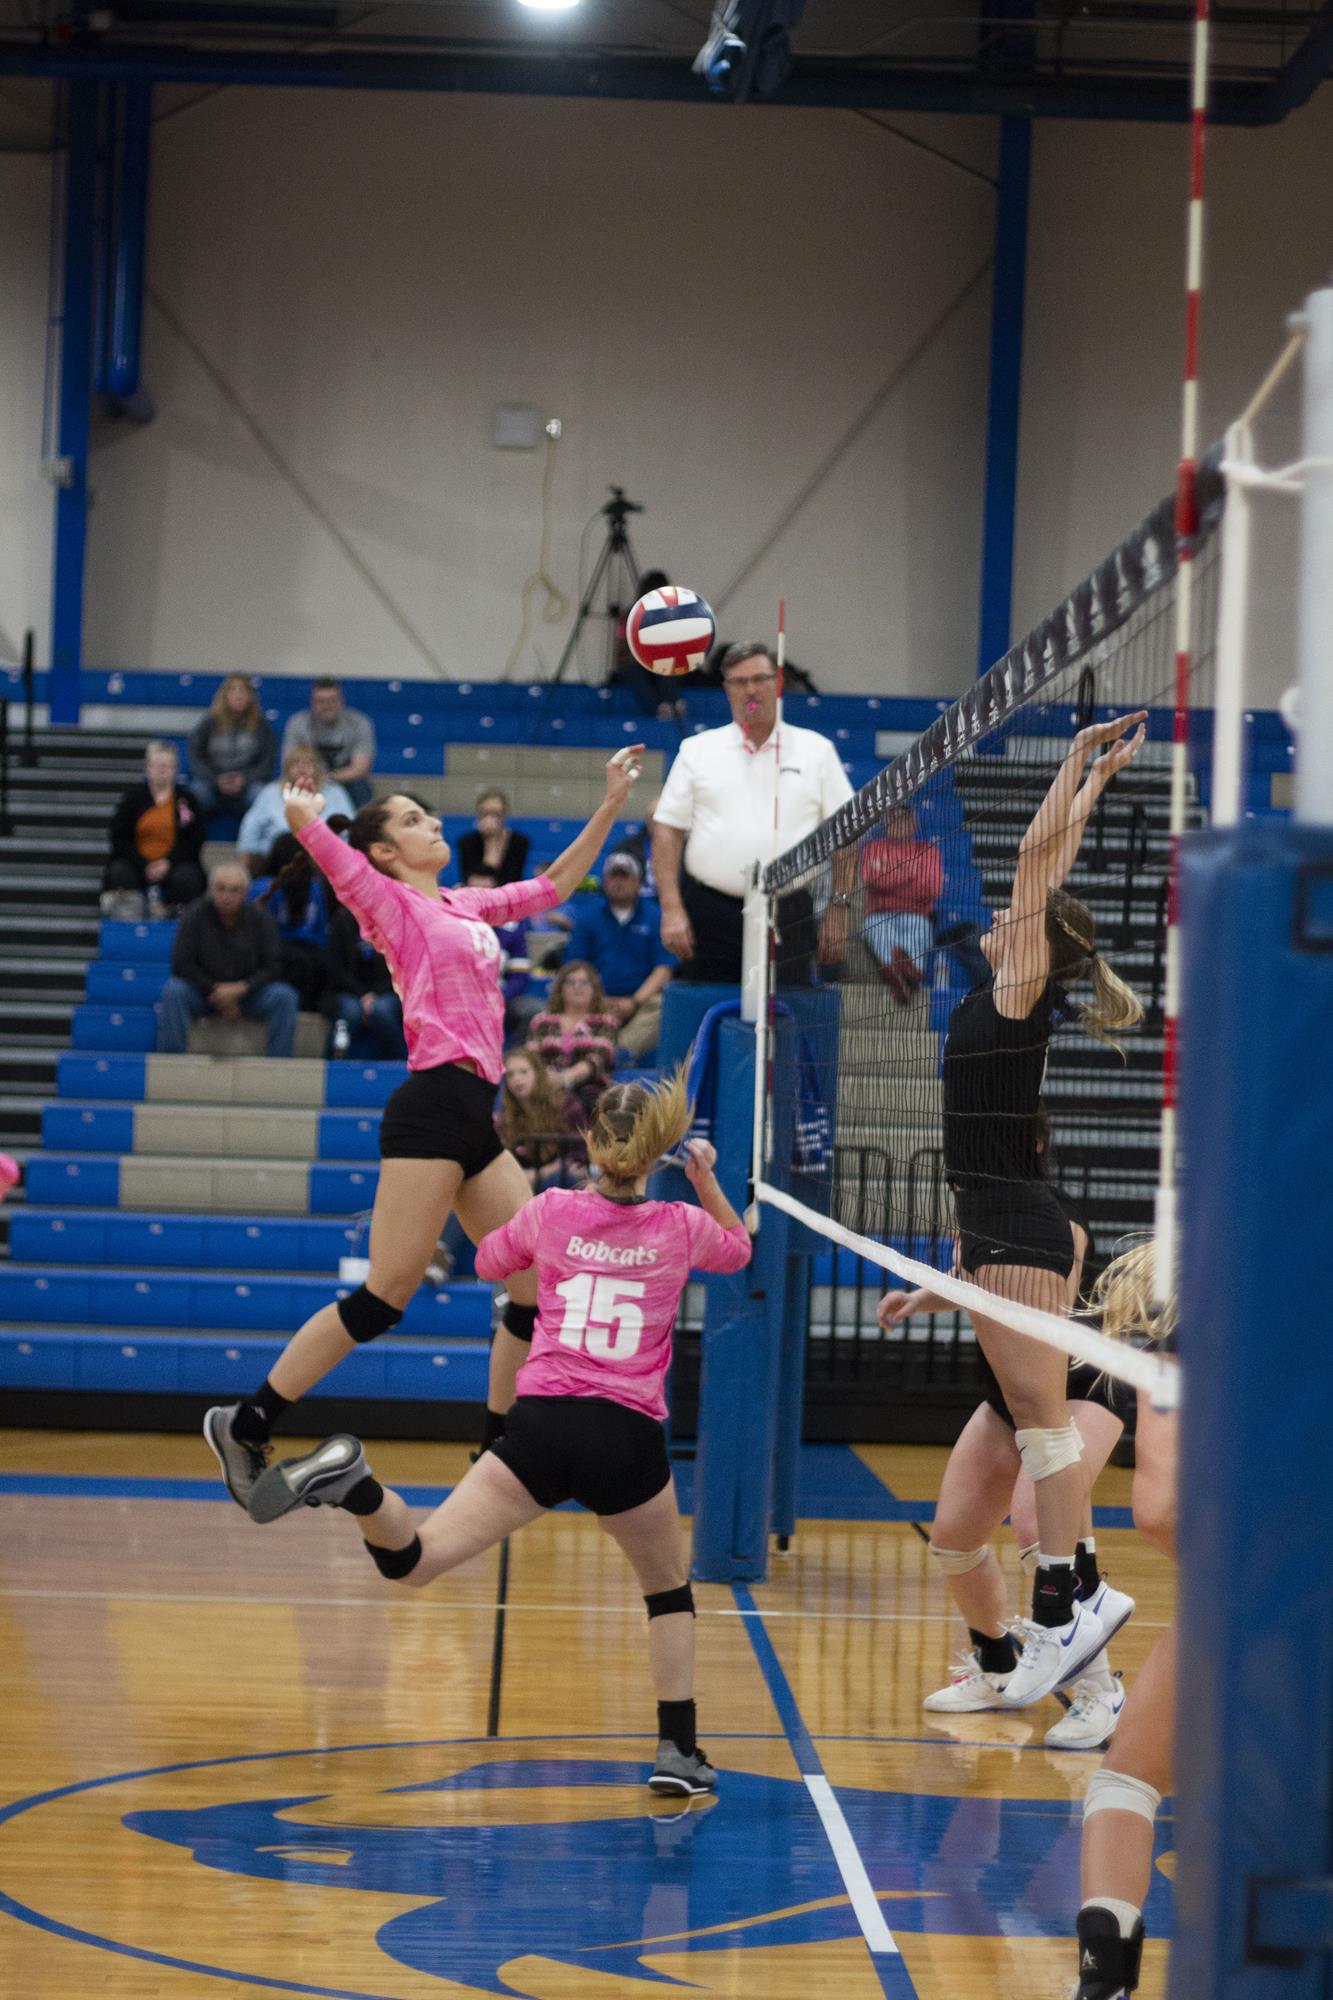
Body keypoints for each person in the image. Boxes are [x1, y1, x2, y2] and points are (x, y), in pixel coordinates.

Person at [242, 1071, 752, 1798]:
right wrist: (703, 1181)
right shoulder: (679, 1226)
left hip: (539, 1424)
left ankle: (356, 1486)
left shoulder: (549, 1212)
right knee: (666, 1593)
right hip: (626, 1434)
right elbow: (739, 1250)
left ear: (589, 1142)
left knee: (413, 1563)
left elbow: (487, 1263)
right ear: (659, 1152)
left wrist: (473, 1202)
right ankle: (677, 1750)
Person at [202, 746, 645, 1507]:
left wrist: (608, 804)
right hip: (433, 1105)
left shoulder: (465, 905)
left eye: (428, 814)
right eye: (412, 820)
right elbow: (336, 863)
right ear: (383, 852)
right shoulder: (388, 902)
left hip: (477, 1111)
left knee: (535, 1285)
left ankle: (498, 1452)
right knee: (384, 1297)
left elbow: (555, 885)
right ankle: (245, 1423)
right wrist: (307, 815)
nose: (432, 823)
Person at [934, 710, 1148, 1706]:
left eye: (1021, 908)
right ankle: (1050, 1625)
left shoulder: (1019, 984)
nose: (1000, 909)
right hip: (991, 1215)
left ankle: (1066, 1610)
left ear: (1033, 934)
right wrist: (1094, 781)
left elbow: (1033, 856)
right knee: (1029, 1425)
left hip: (1012, 1218)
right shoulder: (1010, 987)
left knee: (1045, 1427)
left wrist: (1069, 761)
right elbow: (1044, 864)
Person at [881, 1115, 1134, 1745]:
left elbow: (1033, 1296)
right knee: (955, 1538)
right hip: (1008, 1395)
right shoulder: (980, 1211)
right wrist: (926, 1296)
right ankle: (997, 1665)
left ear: (1038, 1145)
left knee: (1033, 1520)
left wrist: (964, 1289)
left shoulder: (1058, 1223)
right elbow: (982, 1283)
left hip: (1080, 1387)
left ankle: (1102, 1693)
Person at [1070, 1244, 1177, 2000]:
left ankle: (1102, 1987)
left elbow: (1162, 1513)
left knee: (1126, 1785)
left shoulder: (1197, 1341)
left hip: (1256, 1604)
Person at [650, 642, 856, 984]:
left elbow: (847, 832)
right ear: (726, 689)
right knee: (710, 1017)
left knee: (786, 1020)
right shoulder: (697, 750)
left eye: (759, 679)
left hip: (788, 909)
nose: (750, 689)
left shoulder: (816, 751)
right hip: (711, 911)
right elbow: (667, 830)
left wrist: (839, 906)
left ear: (776, 683)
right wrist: (671, 908)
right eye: (738, 681)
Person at [157, 860, 299, 1056]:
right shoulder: (194, 915)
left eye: (234, 890)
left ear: (245, 893)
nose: (227, 896)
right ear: (211, 890)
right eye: (221, 889)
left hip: (249, 994)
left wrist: (242, 988)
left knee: (284, 996)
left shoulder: (261, 918)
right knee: (174, 991)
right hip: (204, 993)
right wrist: (217, 991)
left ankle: (278, 1066)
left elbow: (274, 965)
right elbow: (181, 963)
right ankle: (172, 1061)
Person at [565, 850, 674, 1061]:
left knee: (664, 1006)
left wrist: (633, 1002)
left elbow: (664, 968)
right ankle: (604, 1052)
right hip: (594, 1000)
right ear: (604, 880)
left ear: (638, 881)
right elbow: (576, 966)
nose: (618, 882)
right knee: (569, 996)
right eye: (613, 876)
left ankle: (615, 1053)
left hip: (640, 1002)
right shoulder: (587, 917)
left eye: (625, 876)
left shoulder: (656, 916)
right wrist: (598, 999)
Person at [102, 740, 207, 919]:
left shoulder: (187, 800)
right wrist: (144, 864)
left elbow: (194, 839)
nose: (163, 770)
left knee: (189, 877)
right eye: (158, 765)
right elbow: (119, 839)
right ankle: (129, 921)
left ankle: (176, 919)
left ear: (176, 769)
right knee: (120, 872)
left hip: (175, 864)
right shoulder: (132, 799)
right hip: (136, 863)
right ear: (148, 768)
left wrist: (167, 863)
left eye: (168, 765)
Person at [860, 805, 944, 1003]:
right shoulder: (873, 847)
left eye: (903, 818)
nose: (897, 823)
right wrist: (911, 875)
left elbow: (932, 890)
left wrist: (890, 877)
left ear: (914, 824)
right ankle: (899, 975)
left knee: (918, 929)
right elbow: (871, 879)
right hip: (879, 915)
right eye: (892, 819)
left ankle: (905, 974)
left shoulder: (929, 851)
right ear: (886, 825)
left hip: (918, 915)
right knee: (877, 930)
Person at [525, 961, 620, 1124]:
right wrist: (548, 1080)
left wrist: (565, 1079)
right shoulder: (541, 1021)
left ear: (594, 989)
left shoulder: (606, 1022)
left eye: (584, 982)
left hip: (590, 1093)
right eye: (571, 982)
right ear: (561, 988)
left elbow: (597, 1060)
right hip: (546, 1088)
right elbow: (532, 1057)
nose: (578, 987)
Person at [249, 832, 332, 1015]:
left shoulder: (315, 887)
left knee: (323, 961)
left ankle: (313, 1011)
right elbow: (258, 933)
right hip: (272, 949)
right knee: (295, 960)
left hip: (307, 949)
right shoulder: (263, 888)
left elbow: (320, 931)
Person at [238, 748, 354, 870]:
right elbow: (251, 828)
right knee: (287, 841)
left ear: (317, 769)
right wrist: (244, 860)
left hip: (322, 859)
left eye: (309, 763)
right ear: (287, 769)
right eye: (296, 763)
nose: (302, 768)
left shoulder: (335, 793)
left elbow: (349, 828)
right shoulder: (270, 793)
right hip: (277, 857)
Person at [464, 865, 542, 1044]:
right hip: (460, 999)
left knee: (535, 1012)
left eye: (486, 892)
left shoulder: (512, 926)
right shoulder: (451, 923)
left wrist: (496, 999)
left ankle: (515, 1062)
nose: (480, 899)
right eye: (474, 892)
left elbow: (519, 977)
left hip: (501, 996)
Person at [188, 674, 277, 818]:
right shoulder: (208, 723)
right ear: (225, 696)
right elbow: (196, 757)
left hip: (248, 783)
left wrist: (245, 779)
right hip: (213, 781)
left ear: (250, 697)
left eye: (243, 691)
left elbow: (267, 762)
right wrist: (215, 779)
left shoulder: (261, 726)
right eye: (233, 690)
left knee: (260, 795)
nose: (238, 696)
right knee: (197, 794)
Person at [327, 901, 407, 1060]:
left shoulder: (393, 922)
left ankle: (402, 1064)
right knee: (350, 1012)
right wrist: (362, 994)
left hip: (386, 992)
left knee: (381, 1011)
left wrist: (374, 994)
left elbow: (401, 970)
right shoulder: (342, 919)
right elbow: (334, 969)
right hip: (348, 992)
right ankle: (335, 1064)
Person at [281, 676, 376, 807]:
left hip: (346, 781)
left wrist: (328, 778)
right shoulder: (297, 723)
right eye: (320, 701)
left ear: (341, 701)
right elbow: (288, 762)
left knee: (361, 788)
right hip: (307, 778)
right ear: (312, 702)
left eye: (331, 701)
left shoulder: (359, 723)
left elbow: (360, 768)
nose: (326, 706)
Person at [497, 1047, 585, 1188]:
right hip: (522, 1179)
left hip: (559, 1178)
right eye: (510, 1075)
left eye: (523, 1072)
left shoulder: (565, 1104)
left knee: (558, 1181)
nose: (516, 1079)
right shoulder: (505, 1114)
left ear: (538, 1074)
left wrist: (541, 1173)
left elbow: (578, 1157)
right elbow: (502, 1161)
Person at [456, 790, 531, 888]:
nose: (490, 819)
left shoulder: (519, 842)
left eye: (496, 814)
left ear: (504, 815)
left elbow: (512, 880)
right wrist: (490, 843)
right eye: (485, 813)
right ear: (478, 815)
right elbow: (471, 879)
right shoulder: (467, 841)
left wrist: (495, 840)